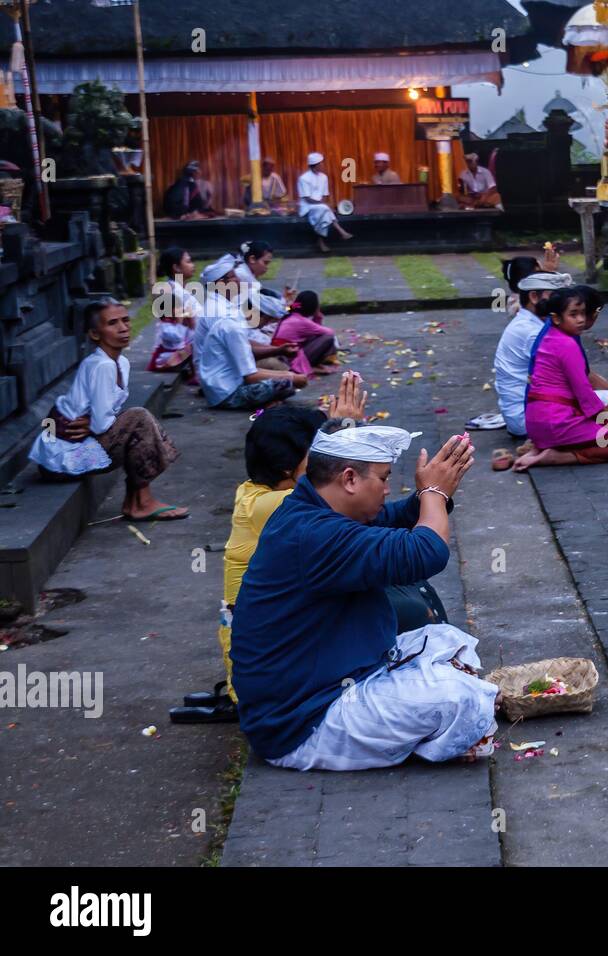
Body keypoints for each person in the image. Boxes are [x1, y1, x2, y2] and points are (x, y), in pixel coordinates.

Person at [231, 425, 500, 770]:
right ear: (349, 479)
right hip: (303, 724)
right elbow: (426, 552)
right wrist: (433, 492)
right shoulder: (313, 534)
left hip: (336, 681)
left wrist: (433, 495)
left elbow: (392, 519)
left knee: (447, 640)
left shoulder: (310, 510)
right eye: (384, 479)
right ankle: (417, 744)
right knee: (459, 699)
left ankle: (406, 730)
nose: (388, 490)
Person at [171, 374, 371, 724]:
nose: (329, 464)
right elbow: (356, 501)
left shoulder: (257, 493)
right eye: (318, 458)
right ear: (286, 468)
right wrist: (348, 435)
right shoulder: (268, 506)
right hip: (265, 680)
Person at [28, 300, 188, 521]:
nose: (123, 328)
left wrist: (95, 423)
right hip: (64, 459)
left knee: (135, 423)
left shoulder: (121, 362)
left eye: (125, 320)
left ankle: (137, 501)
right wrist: (96, 423)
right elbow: (103, 424)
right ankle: (142, 501)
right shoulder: (101, 365)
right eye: (112, 323)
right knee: (138, 418)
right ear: (95, 334)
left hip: (85, 444)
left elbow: (104, 419)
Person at [513, 287, 608, 471]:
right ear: (556, 318)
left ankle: (541, 448)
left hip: (537, 422)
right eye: (573, 314)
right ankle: (557, 457)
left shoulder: (551, 336)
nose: (581, 320)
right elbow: (584, 392)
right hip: (554, 421)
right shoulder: (567, 344)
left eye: (582, 314)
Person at [196, 257, 305, 410]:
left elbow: (243, 344)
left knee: (285, 376)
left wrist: (278, 350)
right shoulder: (221, 314)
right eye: (233, 276)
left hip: (223, 378)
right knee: (288, 382)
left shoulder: (227, 308)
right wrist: (293, 377)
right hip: (223, 388)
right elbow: (250, 374)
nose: (238, 279)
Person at [493, 268, 569, 438]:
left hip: (528, 413)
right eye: (556, 297)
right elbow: (573, 375)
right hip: (527, 418)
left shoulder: (534, 323)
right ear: (534, 297)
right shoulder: (530, 331)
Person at [146, 246, 200, 375]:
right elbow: (187, 324)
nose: (193, 265)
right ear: (176, 268)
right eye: (188, 261)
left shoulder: (179, 290)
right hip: (180, 344)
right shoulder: (175, 293)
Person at [297, 151, 353, 253]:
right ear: (315, 165)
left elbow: (324, 195)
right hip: (307, 206)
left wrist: (326, 204)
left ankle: (321, 241)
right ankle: (341, 231)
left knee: (324, 212)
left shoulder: (324, 177)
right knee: (324, 209)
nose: (323, 165)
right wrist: (324, 204)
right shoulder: (303, 178)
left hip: (320, 207)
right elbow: (307, 199)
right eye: (321, 163)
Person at [274, 291, 338, 377]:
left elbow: (316, 331)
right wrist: (318, 316)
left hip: (283, 352)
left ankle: (313, 364)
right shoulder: (302, 322)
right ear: (313, 307)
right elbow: (329, 333)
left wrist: (317, 318)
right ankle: (311, 366)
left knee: (315, 335)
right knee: (328, 338)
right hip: (289, 357)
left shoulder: (291, 313)